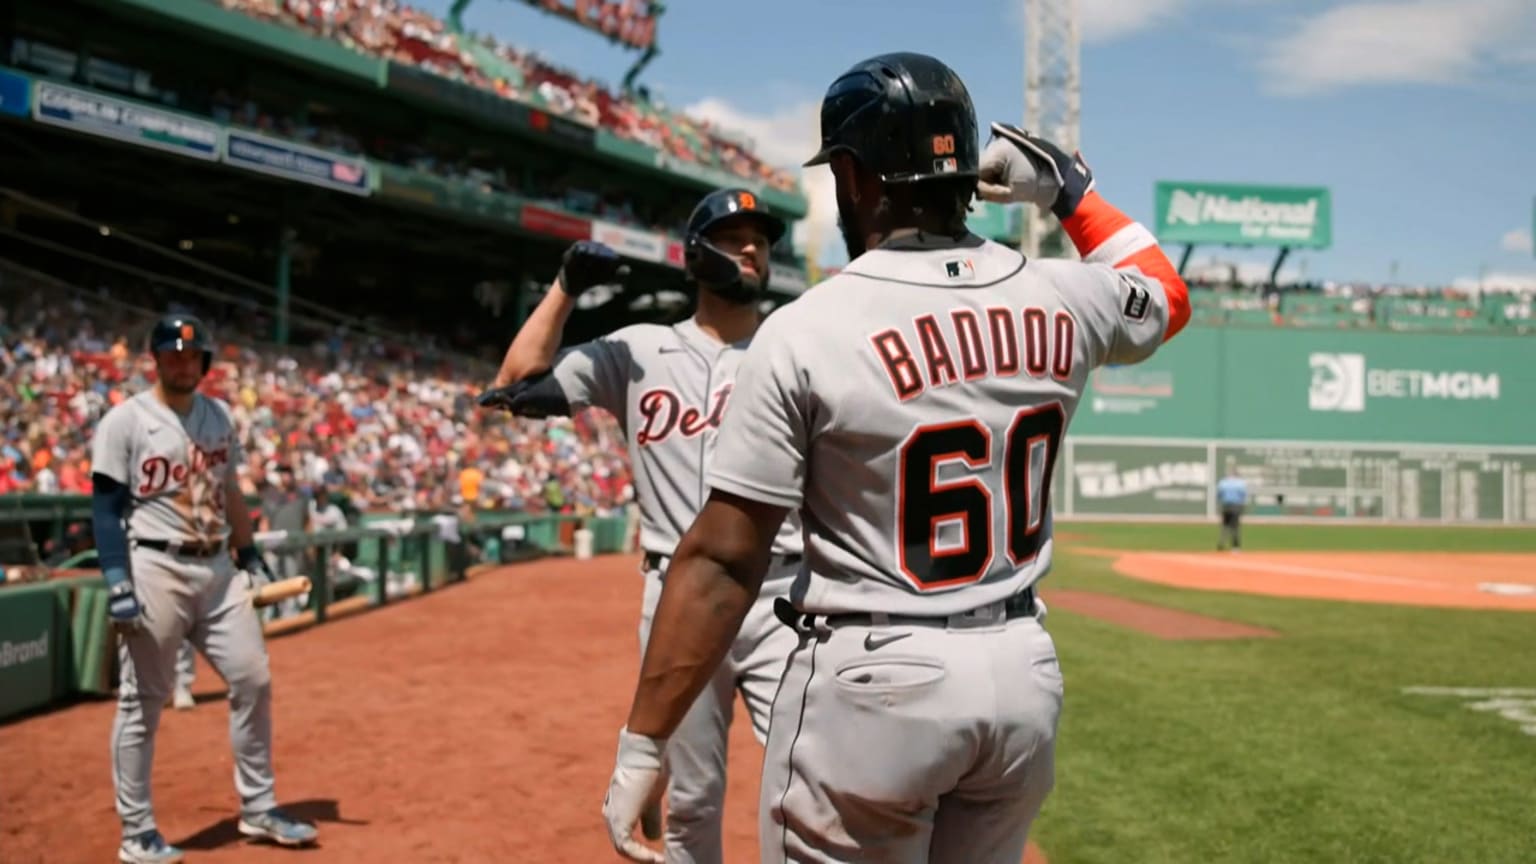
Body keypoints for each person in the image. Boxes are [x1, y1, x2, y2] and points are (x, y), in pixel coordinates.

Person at [601, 51, 1192, 863]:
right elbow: (1166, 291)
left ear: (853, 176)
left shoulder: (808, 327)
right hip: (1021, 675)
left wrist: (643, 741)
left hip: (874, 680)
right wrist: (1070, 194)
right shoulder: (1064, 294)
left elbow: (723, 561)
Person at [478, 188, 806, 864]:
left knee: (813, 785)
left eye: (762, 239)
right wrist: (565, 289)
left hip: (786, 598)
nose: (752, 248)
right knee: (693, 801)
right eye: (732, 235)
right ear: (693, 258)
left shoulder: (794, 345)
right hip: (678, 596)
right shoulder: (639, 349)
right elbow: (514, 382)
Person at [90, 314, 318, 863]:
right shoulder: (126, 421)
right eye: (173, 355)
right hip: (155, 566)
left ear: (204, 363)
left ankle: (259, 808)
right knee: (143, 702)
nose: (183, 363)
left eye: (192, 357)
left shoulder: (216, 415)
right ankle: (137, 831)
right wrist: (117, 577)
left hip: (216, 570)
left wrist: (249, 551)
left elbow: (228, 490)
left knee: (253, 679)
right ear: (157, 359)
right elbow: (104, 509)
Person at [1216, 459, 1248, 552]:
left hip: (1226, 505)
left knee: (1225, 525)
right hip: (1236, 506)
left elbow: (1219, 494)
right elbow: (1243, 495)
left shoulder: (1223, 482)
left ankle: (1221, 544)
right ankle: (1235, 546)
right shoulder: (1240, 483)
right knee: (1235, 526)